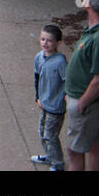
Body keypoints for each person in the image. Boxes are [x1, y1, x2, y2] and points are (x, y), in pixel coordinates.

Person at [63, 0, 99, 171]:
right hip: (81, 99)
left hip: (86, 103)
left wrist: (82, 103)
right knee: (93, 141)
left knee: (74, 151)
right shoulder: (94, 31)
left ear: (89, 5)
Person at [31, 24, 67, 170]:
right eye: (43, 39)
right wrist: (37, 97)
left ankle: (58, 163)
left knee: (51, 135)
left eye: (49, 41)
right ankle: (50, 156)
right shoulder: (39, 57)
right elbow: (36, 77)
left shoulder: (60, 62)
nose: (45, 43)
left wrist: (62, 99)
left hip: (55, 107)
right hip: (44, 103)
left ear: (58, 43)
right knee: (42, 132)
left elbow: (67, 82)